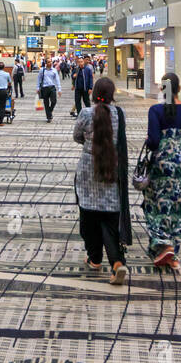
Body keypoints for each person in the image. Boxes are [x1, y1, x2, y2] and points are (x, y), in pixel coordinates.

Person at [72, 77, 130, 284]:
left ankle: (95, 258)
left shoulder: (86, 113)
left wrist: (88, 143)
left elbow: (77, 136)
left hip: (88, 169)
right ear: (112, 94)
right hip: (111, 168)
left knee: (89, 215)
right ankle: (116, 263)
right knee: (109, 218)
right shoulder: (118, 114)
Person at [143, 72, 181, 273]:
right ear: (179, 89)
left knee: (155, 203)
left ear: (162, 89)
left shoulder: (156, 111)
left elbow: (154, 141)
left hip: (162, 165)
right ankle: (172, 254)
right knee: (177, 207)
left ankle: (162, 245)